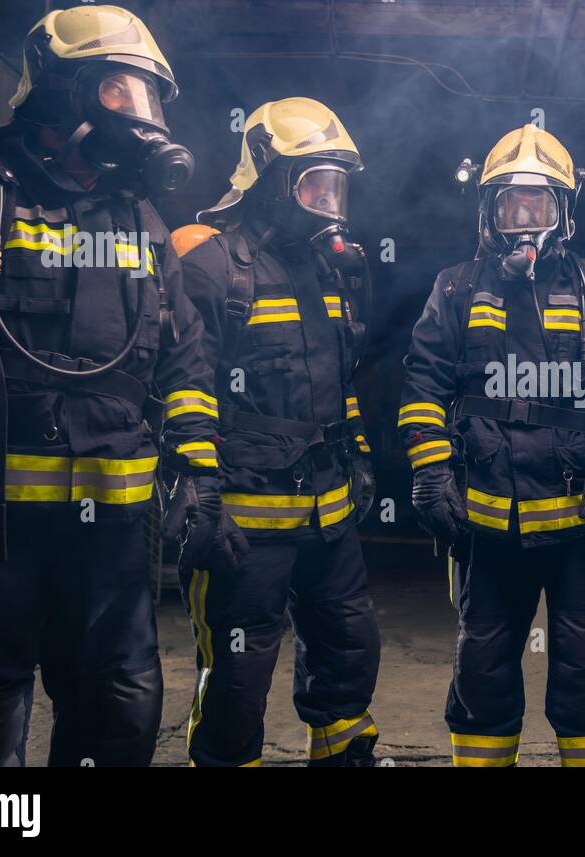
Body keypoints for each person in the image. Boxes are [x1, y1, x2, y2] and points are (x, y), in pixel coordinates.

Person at [0, 5, 216, 766]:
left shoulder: (143, 227)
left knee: (120, 707)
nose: (143, 118)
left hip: (112, 544)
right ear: (63, 93)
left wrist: (199, 467)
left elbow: (185, 361)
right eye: (120, 93)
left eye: (151, 100)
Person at [400, 125, 585, 766]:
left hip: (576, 522)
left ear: (562, 213)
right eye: (511, 204)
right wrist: (431, 472)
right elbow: (422, 381)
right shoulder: (455, 288)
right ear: (489, 212)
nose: (524, 219)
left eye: (537, 205)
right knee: (481, 669)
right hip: (486, 522)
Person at [178, 98, 381, 767]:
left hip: (328, 508)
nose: (326, 201)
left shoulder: (329, 270)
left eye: (335, 185)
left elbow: (341, 379)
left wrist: (356, 453)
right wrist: (199, 487)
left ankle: (342, 753)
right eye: (311, 183)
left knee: (351, 643)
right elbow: (187, 385)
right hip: (247, 515)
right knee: (239, 673)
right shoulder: (211, 268)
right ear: (268, 178)